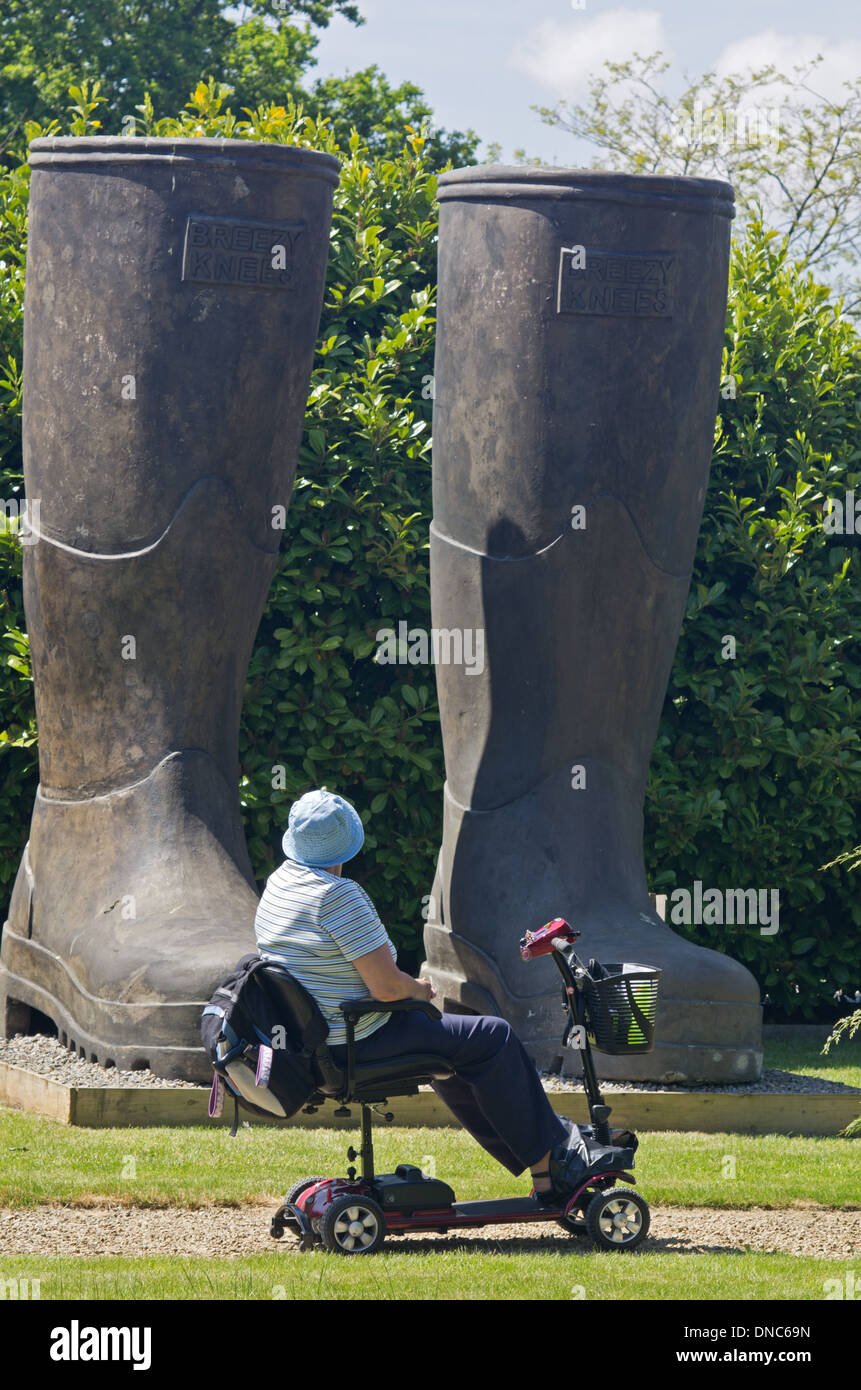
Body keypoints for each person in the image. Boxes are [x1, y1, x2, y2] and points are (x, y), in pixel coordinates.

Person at [255, 788, 572, 1203]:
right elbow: (387, 988)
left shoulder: (280, 884)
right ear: (346, 842)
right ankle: (549, 1166)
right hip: (359, 1041)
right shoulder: (337, 896)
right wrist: (420, 992)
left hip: (316, 1047)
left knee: (456, 1054)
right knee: (495, 1036)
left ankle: (533, 1151)